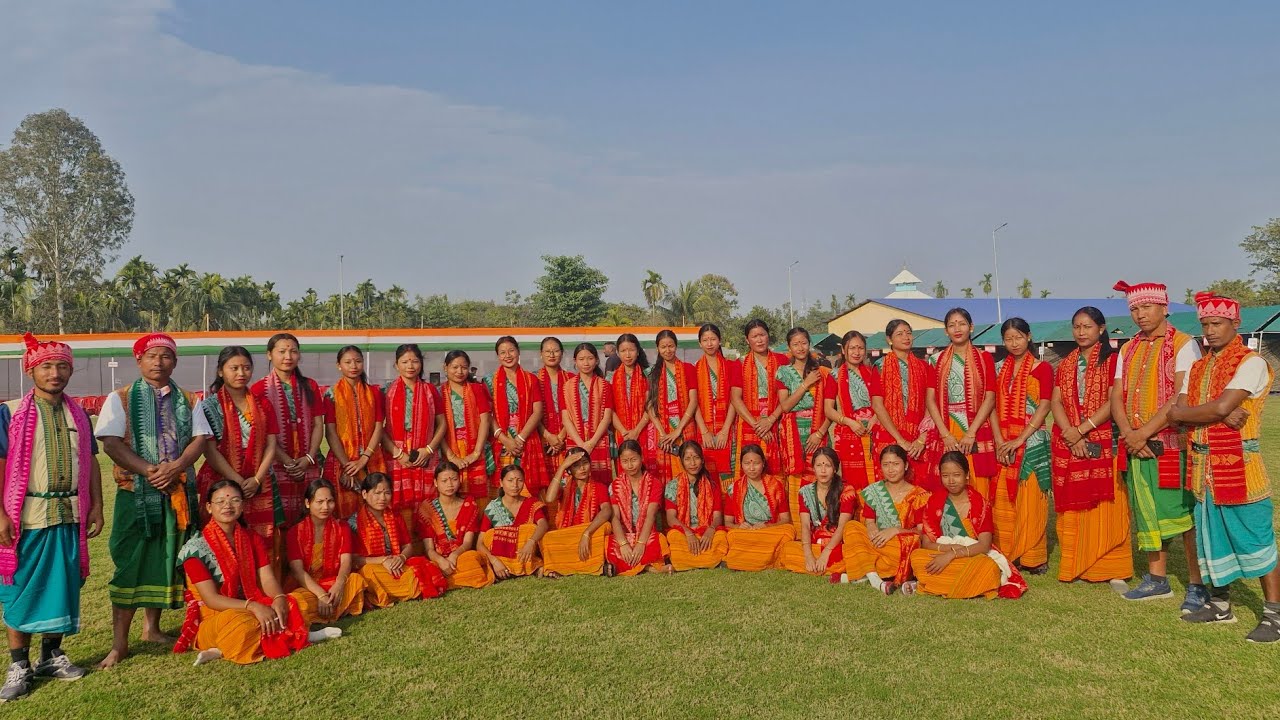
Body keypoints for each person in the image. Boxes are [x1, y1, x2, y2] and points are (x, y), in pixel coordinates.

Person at [96, 332, 213, 669]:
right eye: (152, 356)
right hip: (134, 494)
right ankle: (119, 643)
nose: (159, 362)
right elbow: (111, 444)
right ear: (139, 360)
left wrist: (175, 467)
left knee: (164, 560)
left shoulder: (190, 400)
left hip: (176, 494)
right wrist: (149, 470)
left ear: (174, 362)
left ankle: (152, 628)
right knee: (130, 563)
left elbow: (200, 439)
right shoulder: (119, 397)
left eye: (166, 356)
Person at [1169, 293, 1280, 642]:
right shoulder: (1200, 365)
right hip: (1203, 460)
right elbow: (1187, 405)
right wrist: (1211, 410)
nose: (1210, 331)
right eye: (1204, 324)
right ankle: (1221, 605)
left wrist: (1208, 410)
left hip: (1239, 461)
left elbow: (1199, 409)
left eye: (1217, 323)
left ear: (1236, 324)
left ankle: (1274, 615)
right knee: (1210, 535)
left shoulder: (1251, 362)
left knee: (1255, 535)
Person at [0, 335, 102, 700]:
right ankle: (18, 664)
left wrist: (97, 506)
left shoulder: (79, 415)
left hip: (69, 513)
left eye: (62, 366)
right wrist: (0, 515)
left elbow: (91, 463)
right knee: (20, 589)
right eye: (46, 366)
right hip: (25, 515)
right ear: (31, 370)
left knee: (63, 586)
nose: (55, 373)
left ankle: (51, 656)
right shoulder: (9, 412)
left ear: (70, 370)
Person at [1110, 280, 1205, 608]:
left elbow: (1181, 396)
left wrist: (1142, 433)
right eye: (1134, 308)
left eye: (1146, 307)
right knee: (1147, 511)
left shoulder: (1184, 344)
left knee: (1184, 517)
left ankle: (1197, 583)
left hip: (1171, 447)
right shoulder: (1128, 348)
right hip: (1138, 445)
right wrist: (1129, 433)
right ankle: (1157, 579)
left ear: (1164, 307)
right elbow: (1116, 394)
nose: (1140, 314)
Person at [173, 480, 325, 666]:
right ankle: (291, 634)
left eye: (235, 500)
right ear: (209, 507)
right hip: (216, 618)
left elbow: (267, 578)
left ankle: (238, 644)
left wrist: (278, 597)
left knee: (296, 602)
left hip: (250, 605)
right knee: (242, 625)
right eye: (220, 502)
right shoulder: (195, 550)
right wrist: (252, 606)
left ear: (243, 505)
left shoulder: (251, 538)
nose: (227, 506)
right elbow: (211, 599)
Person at [1050, 307, 1132, 588]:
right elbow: (1056, 401)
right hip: (1070, 440)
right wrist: (1071, 434)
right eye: (1077, 327)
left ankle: (1113, 567)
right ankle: (1078, 562)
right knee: (1074, 504)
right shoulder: (1066, 363)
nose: (1081, 332)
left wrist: (1082, 430)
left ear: (1101, 328)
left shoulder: (1113, 361)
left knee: (1107, 504)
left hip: (1103, 439)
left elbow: (1113, 402)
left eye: (1087, 326)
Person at [196, 347, 281, 565]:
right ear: (221, 371)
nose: (240, 373)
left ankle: (263, 584)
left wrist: (256, 479)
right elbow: (209, 449)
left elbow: (271, 445)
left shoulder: (263, 404)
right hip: (221, 479)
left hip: (259, 480)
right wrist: (237, 481)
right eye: (234, 368)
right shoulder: (209, 406)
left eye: (246, 367)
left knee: (262, 538)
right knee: (223, 536)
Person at [910, 452, 1025, 599]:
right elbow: (926, 543)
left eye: (956, 475)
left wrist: (953, 555)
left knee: (988, 569)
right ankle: (964, 585)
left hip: (973, 555)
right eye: (945, 476)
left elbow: (984, 545)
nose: (951, 481)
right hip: (942, 554)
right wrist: (948, 551)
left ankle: (935, 585)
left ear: (967, 475)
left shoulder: (980, 504)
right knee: (917, 557)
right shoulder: (935, 500)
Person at [991, 318, 1053, 574]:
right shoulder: (997, 370)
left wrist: (1020, 439)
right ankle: (1008, 551)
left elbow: (1045, 405)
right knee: (1003, 500)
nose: (1013, 343)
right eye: (1008, 338)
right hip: (1003, 440)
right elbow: (991, 406)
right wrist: (999, 440)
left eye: (1018, 337)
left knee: (1032, 498)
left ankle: (1034, 556)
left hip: (1032, 440)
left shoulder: (1042, 368)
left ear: (1028, 337)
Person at [251, 333, 324, 526]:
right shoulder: (258, 390)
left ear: (299, 355)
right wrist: (289, 463)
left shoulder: (310, 385)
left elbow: (318, 424)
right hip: (275, 464)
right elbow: (263, 433)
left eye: (293, 351)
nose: (288, 357)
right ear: (269, 355)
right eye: (281, 351)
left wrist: (308, 458)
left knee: (310, 516)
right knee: (279, 521)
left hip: (308, 463)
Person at [925, 308, 998, 500]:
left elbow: (990, 396)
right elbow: (930, 399)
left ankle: (979, 527)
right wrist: (945, 434)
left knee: (977, 482)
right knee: (949, 479)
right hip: (947, 427)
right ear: (945, 331)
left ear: (971, 327)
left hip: (976, 427)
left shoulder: (985, 359)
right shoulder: (936, 360)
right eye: (951, 325)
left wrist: (971, 433)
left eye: (962, 323)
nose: (957, 329)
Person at [349, 473, 446, 608]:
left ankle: (394, 592)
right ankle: (395, 592)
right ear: (364, 494)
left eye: (387, 493)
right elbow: (354, 560)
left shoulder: (395, 515)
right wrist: (384, 561)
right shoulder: (354, 522)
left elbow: (408, 546)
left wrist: (400, 558)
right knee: (368, 573)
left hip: (398, 565)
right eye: (377, 493)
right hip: (375, 568)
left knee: (423, 568)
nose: (382, 498)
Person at [844, 444, 930, 594]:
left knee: (910, 546)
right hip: (877, 542)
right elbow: (869, 521)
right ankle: (874, 578)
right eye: (886, 465)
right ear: (881, 467)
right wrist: (871, 527)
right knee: (851, 527)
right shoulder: (874, 491)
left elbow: (921, 532)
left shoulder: (918, 495)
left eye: (896, 464)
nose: (891, 469)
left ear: (906, 466)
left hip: (899, 548)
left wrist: (895, 531)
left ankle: (864, 572)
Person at [871, 320, 941, 493]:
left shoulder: (924, 367)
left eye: (908, 332)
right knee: (889, 487)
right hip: (889, 436)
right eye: (899, 334)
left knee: (919, 488)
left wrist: (921, 439)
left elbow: (930, 403)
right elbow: (878, 405)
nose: (906, 337)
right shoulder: (879, 367)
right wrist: (900, 440)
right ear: (889, 339)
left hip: (918, 438)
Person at [285, 479, 366, 628]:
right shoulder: (294, 532)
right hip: (307, 587)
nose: (325, 507)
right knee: (296, 600)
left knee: (355, 580)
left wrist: (339, 584)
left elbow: (346, 562)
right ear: (308, 503)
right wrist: (321, 594)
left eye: (330, 501)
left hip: (333, 582)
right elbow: (297, 571)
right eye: (320, 502)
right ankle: (333, 608)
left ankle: (326, 609)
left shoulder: (342, 527)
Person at [774, 327, 833, 530]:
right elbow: (785, 406)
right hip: (793, 434)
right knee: (796, 480)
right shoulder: (783, 372)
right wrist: (805, 384)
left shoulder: (823, 372)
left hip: (818, 431)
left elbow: (830, 408)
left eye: (803, 343)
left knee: (821, 475)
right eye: (795, 344)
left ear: (809, 344)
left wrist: (820, 432)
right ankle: (800, 530)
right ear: (789, 347)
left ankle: (823, 525)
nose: (800, 347)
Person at [380, 344, 446, 523]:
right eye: (405, 362)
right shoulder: (385, 392)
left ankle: (427, 545)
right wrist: (398, 453)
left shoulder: (431, 391)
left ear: (421, 364)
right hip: (396, 456)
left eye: (415, 361)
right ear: (396, 365)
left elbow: (442, 424)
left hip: (425, 454)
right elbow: (379, 427)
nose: (410, 366)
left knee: (427, 504)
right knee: (396, 503)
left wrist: (429, 450)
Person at [322, 346, 386, 519]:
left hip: (372, 459)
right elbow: (330, 431)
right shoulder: (331, 394)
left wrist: (365, 457)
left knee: (375, 510)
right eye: (348, 362)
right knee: (342, 513)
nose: (353, 366)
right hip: (341, 462)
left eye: (358, 361)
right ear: (338, 365)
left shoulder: (374, 392)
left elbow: (379, 426)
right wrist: (347, 466)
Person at [414, 462, 494, 590]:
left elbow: (468, 543)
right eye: (444, 480)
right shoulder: (427, 508)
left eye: (454, 479)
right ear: (435, 482)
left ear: (460, 480)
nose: (450, 484)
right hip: (437, 559)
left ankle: (444, 581)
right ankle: (455, 579)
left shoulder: (469, 504)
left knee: (472, 559)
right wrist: (441, 561)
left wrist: (455, 555)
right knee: (426, 568)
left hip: (461, 555)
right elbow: (429, 549)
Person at [484, 337, 547, 497]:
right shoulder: (489, 381)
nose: (508, 355)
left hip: (526, 439)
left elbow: (537, 411)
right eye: (503, 352)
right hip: (501, 442)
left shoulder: (531, 379)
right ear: (497, 356)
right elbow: (487, 415)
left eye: (511, 351)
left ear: (518, 352)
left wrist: (519, 439)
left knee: (526, 490)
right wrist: (505, 440)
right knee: (504, 489)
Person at [779, 447, 855, 578]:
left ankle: (827, 565)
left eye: (828, 466)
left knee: (850, 554)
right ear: (813, 468)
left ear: (835, 468)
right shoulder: (805, 492)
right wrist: (808, 555)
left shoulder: (847, 491)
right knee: (788, 550)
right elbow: (805, 525)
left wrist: (826, 553)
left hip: (838, 543)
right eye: (819, 465)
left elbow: (842, 526)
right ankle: (828, 567)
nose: (823, 470)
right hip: (816, 543)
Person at [540, 448, 612, 577]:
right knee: (547, 538)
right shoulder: (564, 486)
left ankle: (567, 565)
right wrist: (562, 467)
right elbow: (549, 498)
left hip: (589, 530)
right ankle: (589, 564)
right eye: (576, 466)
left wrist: (587, 533)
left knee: (604, 529)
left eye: (585, 463)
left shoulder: (599, 487)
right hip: (569, 533)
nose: (582, 468)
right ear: (569, 470)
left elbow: (606, 511)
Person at [824, 331, 881, 499]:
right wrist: (849, 422)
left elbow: (882, 403)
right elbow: (828, 409)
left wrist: (876, 418)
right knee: (851, 481)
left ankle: (871, 517)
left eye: (861, 348)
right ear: (843, 350)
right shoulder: (834, 376)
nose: (857, 352)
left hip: (873, 431)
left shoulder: (873, 373)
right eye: (852, 348)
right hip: (848, 433)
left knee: (875, 477)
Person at [722, 444, 795, 571]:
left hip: (767, 531)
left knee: (788, 532)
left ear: (763, 463)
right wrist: (739, 526)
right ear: (741, 465)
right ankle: (765, 559)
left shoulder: (776, 485)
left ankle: (743, 560)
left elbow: (785, 520)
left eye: (756, 463)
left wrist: (766, 526)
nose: (751, 468)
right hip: (745, 532)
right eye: (747, 463)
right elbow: (727, 522)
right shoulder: (734, 488)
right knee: (731, 535)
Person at [730, 320, 788, 474]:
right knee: (750, 469)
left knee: (775, 473)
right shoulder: (740, 364)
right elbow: (735, 399)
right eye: (754, 336)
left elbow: (788, 396)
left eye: (762, 335)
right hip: (749, 425)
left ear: (768, 336)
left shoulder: (782, 361)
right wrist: (758, 426)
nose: (759, 340)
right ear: (747, 340)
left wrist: (770, 420)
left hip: (776, 422)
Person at [605, 440, 669, 576]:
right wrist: (623, 544)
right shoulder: (614, 486)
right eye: (625, 461)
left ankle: (627, 567)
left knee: (660, 540)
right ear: (620, 462)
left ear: (642, 458)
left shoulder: (655, 484)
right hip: (623, 535)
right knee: (607, 543)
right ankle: (647, 567)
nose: (630, 465)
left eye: (633, 459)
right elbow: (614, 517)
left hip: (646, 535)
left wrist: (640, 543)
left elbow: (651, 515)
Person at [663, 441, 727, 571]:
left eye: (696, 458)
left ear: (702, 460)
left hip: (705, 531)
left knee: (721, 536)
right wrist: (688, 532)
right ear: (681, 461)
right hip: (684, 532)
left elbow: (717, 517)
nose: (692, 463)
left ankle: (686, 562)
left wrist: (711, 529)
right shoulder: (672, 486)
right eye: (687, 459)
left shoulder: (712, 486)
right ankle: (711, 561)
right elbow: (671, 518)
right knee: (673, 536)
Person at [440, 350, 494, 500]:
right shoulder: (438, 393)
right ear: (445, 368)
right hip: (449, 448)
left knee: (479, 496)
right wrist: (451, 456)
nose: (459, 371)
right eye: (454, 367)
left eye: (464, 367)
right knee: (451, 489)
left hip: (476, 446)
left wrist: (476, 452)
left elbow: (485, 420)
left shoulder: (477, 389)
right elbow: (438, 427)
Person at [647, 330, 700, 483]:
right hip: (663, 429)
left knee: (689, 465)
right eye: (663, 347)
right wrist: (663, 433)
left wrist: (678, 430)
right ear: (657, 348)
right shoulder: (652, 373)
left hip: (685, 427)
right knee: (666, 472)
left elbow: (693, 401)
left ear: (676, 346)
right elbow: (650, 405)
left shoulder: (688, 369)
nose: (667, 350)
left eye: (671, 346)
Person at [479, 466, 549, 579]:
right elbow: (480, 543)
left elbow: (543, 524)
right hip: (502, 557)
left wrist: (531, 542)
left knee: (531, 530)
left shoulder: (531, 503)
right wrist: (495, 561)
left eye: (519, 480)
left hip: (527, 551)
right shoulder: (492, 508)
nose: (515, 485)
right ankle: (525, 567)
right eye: (510, 480)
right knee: (490, 535)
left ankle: (526, 566)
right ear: (501, 482)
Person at [560, 343, 615, 486]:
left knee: (600, 483)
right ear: (575, 361)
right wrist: (581, 444)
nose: (586, 363)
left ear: (596, 360)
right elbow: (566, 418)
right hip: (575, 438)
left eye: (590, 358)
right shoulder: (566, 387)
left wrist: (591, 443)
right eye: (581, 359)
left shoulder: (605, 385)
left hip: (598, 438)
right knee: (575, 482)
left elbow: (607, 417)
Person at [692, 324, 739, 484]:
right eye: (705, 340)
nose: (709, 343)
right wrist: (704, 431)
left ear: (719, 341)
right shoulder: (694, 369)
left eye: (713, 339)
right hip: (703, 428)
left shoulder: (731, 366)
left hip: (728, 428)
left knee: (729, 476)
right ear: (700, 343)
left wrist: (725, 430)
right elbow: (694, 402)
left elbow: (735, 400)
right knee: (706, 474)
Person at [611, 333, 656, 477]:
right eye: (623, 351)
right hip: (621, 432)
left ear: (637, 351)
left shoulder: (649, 374)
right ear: (618, 353)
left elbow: (651, 405)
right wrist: (624, 431)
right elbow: (610, 410)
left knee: (648, 470)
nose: (628, 354)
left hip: (645, 429)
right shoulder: (610, 377)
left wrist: (636, 430)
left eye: (631, 350)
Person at [537, 337, 571, 487]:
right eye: (548, 351)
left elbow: (575, 411)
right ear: (541, 354)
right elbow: (531, 413)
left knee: (569, 483)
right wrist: (548, 436)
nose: (552, 355)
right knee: (545, 486)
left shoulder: (571, 379)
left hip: (568, 437)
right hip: (542, 439)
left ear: (562, 353)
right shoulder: (533, 380)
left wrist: (561, 436)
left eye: (556, 351)